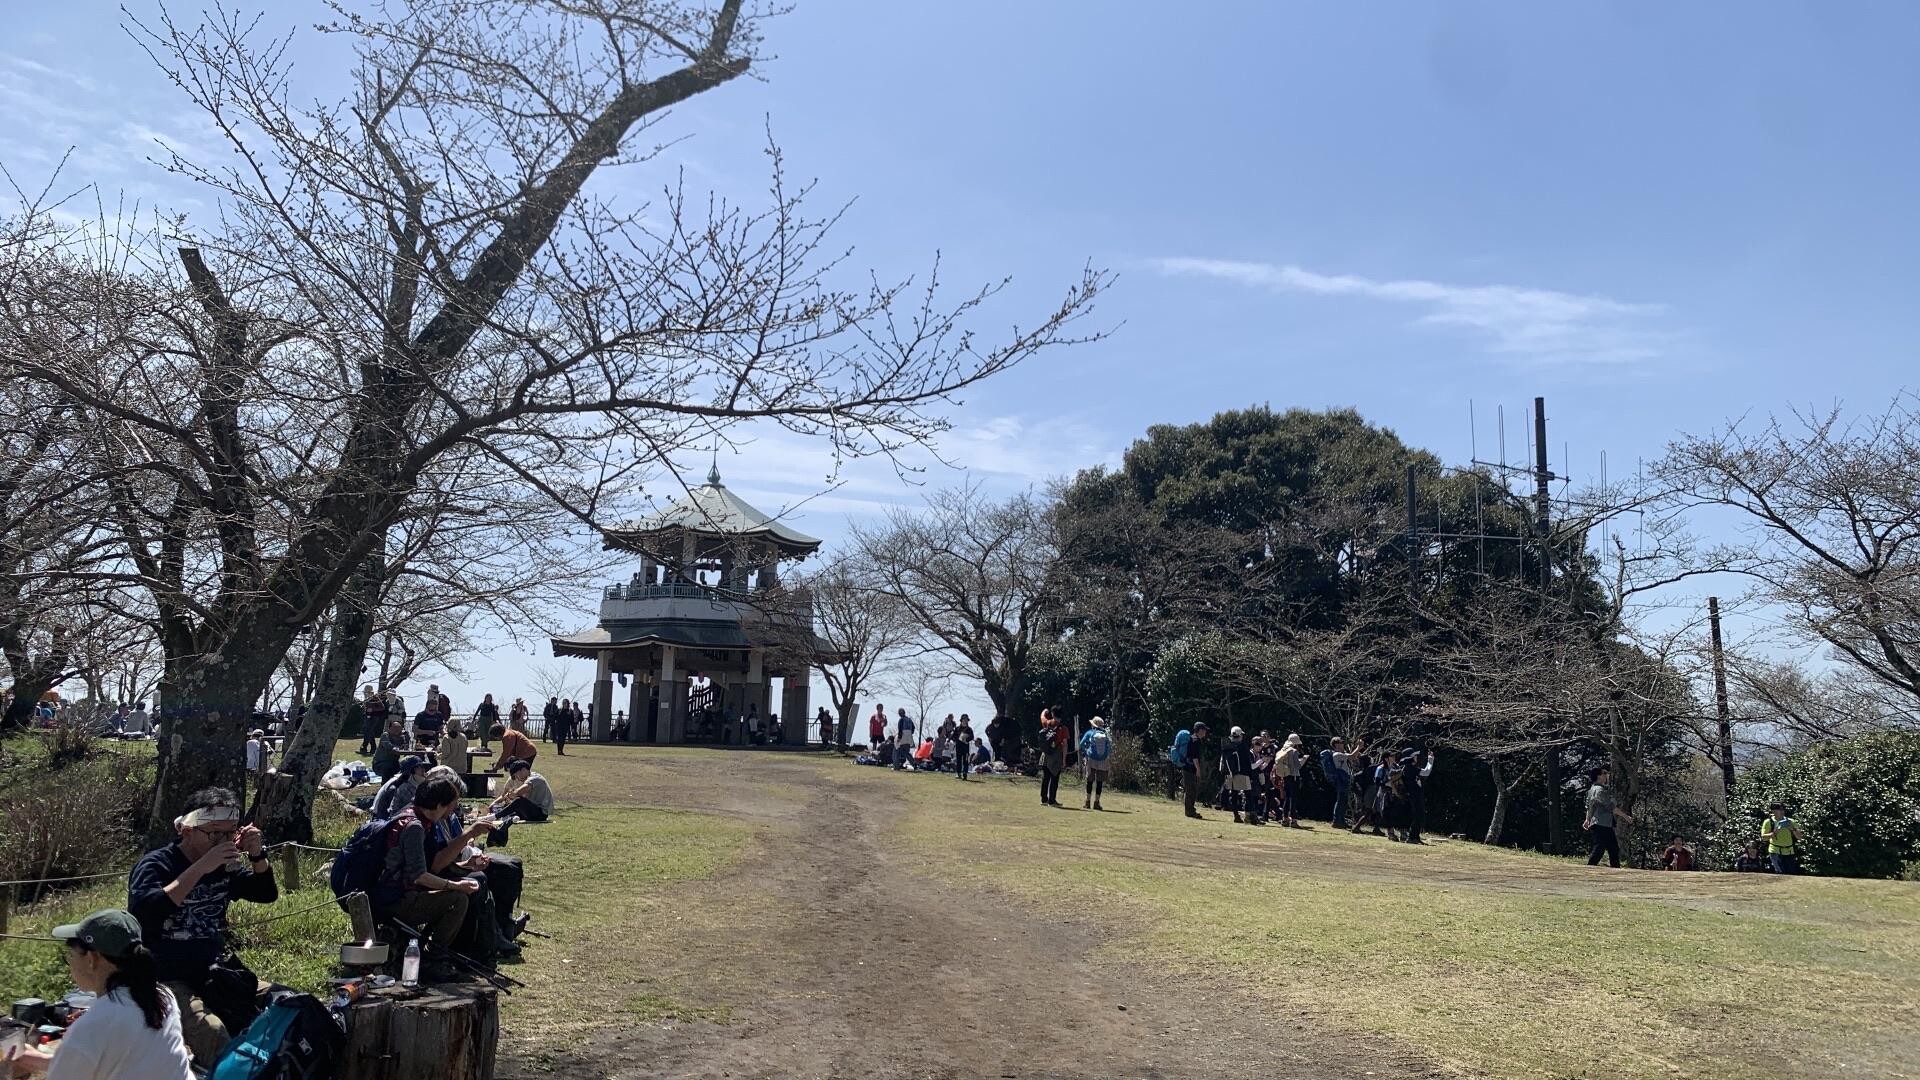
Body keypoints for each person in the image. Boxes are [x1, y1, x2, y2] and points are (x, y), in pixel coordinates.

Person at [126, 787, 277, 1066]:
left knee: (285, 1003)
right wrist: (200, 868)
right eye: (213, 833)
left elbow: (265, 893)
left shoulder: (225, 865)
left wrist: (257, 855)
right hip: (165, 978)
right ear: (186, 830)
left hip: (212, 970)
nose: (222, 840)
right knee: (212, 1033)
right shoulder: (156, 865)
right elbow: (145, 912)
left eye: (230, 832)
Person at [3, 909, 193, 1079]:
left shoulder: (92, 1027)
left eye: (71, 955)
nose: (70, 962)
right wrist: (41, 1060)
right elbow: (118, 1063)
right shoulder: (161, 996)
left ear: (92, 958)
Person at [373, 778, 481, 981]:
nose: (454, 809)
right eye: (452, 803)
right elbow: (419, 875)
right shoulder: (415, 827)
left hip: (394, 893)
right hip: (396, 899)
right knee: (458, 899)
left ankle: (426, 948)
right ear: (440, 805)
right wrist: (455, 885)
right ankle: (433, 959)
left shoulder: (413, 816)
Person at [488, 758, 554, 846]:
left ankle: (494, 816)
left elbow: (520, 791)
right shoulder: (529, 778)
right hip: (532, 812)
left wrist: (512, 795)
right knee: (507, 816)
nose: (518, 778)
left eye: (517, 775)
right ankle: (496, 835)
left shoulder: (535, 778)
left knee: (519, 801)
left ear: (523, 770)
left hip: (541, 813)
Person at [1583, 765, 1632, 868]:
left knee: (1613, 848)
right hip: (1602, 823)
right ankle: (1590, 867)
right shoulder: (1600, 791)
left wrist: (1587, 820)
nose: (1606, 776)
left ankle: (1615, 868)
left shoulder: (1591, 790)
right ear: (1599, 776)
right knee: (1600, 848)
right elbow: (1611, 808)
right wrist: (1626, 816)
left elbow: (1589, 807)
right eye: (1604, 774)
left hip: (1601, 823)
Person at [1173, 722, 1209, 819]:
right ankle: (1190, 811)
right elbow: (1195, 757)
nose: (1205, 732)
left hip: (1187, 767)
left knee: (1191, 790)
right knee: (1191, 790)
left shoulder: (1192, 739)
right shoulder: (1195, 740)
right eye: (1204, 730)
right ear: (1200, 730)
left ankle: (1190, 810)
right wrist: (1198, 769)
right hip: (1190, 768)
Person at [1219, 726, 1253, 825]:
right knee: (1248, 794)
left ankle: (1236, 815)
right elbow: (1247, 761)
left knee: (1234, 794)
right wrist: (1250, 775)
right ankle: (1248, 816)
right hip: (1242, 773)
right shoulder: (1242, 745)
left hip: (1230, 774)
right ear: (1240, 735)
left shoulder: (1227, 745)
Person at [1078, 716, 1113, 809]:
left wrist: (1086, 752)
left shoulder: (1090, 733)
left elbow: (1081, 744)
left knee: (1089, 780)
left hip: (1091, 759)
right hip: (1103, 760)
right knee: (1099, 782)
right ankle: (1096, 802)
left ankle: (1087, 802)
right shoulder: (1105, 734)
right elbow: (1110, 748)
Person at [1036, 709, 1069, 807]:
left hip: (1046, 754)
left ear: (1053, 714)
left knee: (1045, 777)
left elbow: (1042, 717)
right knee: (1054, 778)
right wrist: (1064, 759)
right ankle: (1052, 800)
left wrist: (1044, 711)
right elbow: (1065, 745)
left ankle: (1044, 799)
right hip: (1056, 755)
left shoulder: (1047, 723)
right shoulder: (1063, 728)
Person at [1762, 803, 1802, 874]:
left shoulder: (1791, 821)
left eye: (1783, 810)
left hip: (1789, 851)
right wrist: (1774, 832)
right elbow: (1764, 838)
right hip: (1775, 851)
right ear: (1773, 811)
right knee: (1780, 873)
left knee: (1790, 874)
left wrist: (1792, 829)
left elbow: (1799, 837)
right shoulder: (1768, 822)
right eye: (1779, 810)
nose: (1782, 812)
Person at [1323, 736, 1352, 828]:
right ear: (1336, 745)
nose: (1343, 744)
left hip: (1343, 779)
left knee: (1343, 800)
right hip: (1340, 780)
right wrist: (1359, 747)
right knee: (1341, 800)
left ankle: (1341, 820)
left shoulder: (1340, 754)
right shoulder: (1337, 755)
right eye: (1341, 743)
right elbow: (1351, 756)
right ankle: (1337, 821)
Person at [357, 685, 387, 755]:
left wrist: (372, 709)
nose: (366, 693)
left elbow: (382, 707)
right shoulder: (366, 699)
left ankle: (364, 747)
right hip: (368, 717)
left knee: (369, 731)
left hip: (375, 717)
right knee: (368, 732)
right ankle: (372, 748)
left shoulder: (375, 698)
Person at [953, 715, 976, 780]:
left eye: (966, 720)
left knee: (965, 760)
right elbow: (954, 736)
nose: (965, 721)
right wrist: (957, 739)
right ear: (961, 720)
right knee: (958, 760)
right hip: (958, 746)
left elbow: (972, 737)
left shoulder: (969, 729)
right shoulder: (957, 728)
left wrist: (966, 739)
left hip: (965, 747)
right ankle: (958, 773)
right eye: (964, 719)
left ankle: (965, 773)